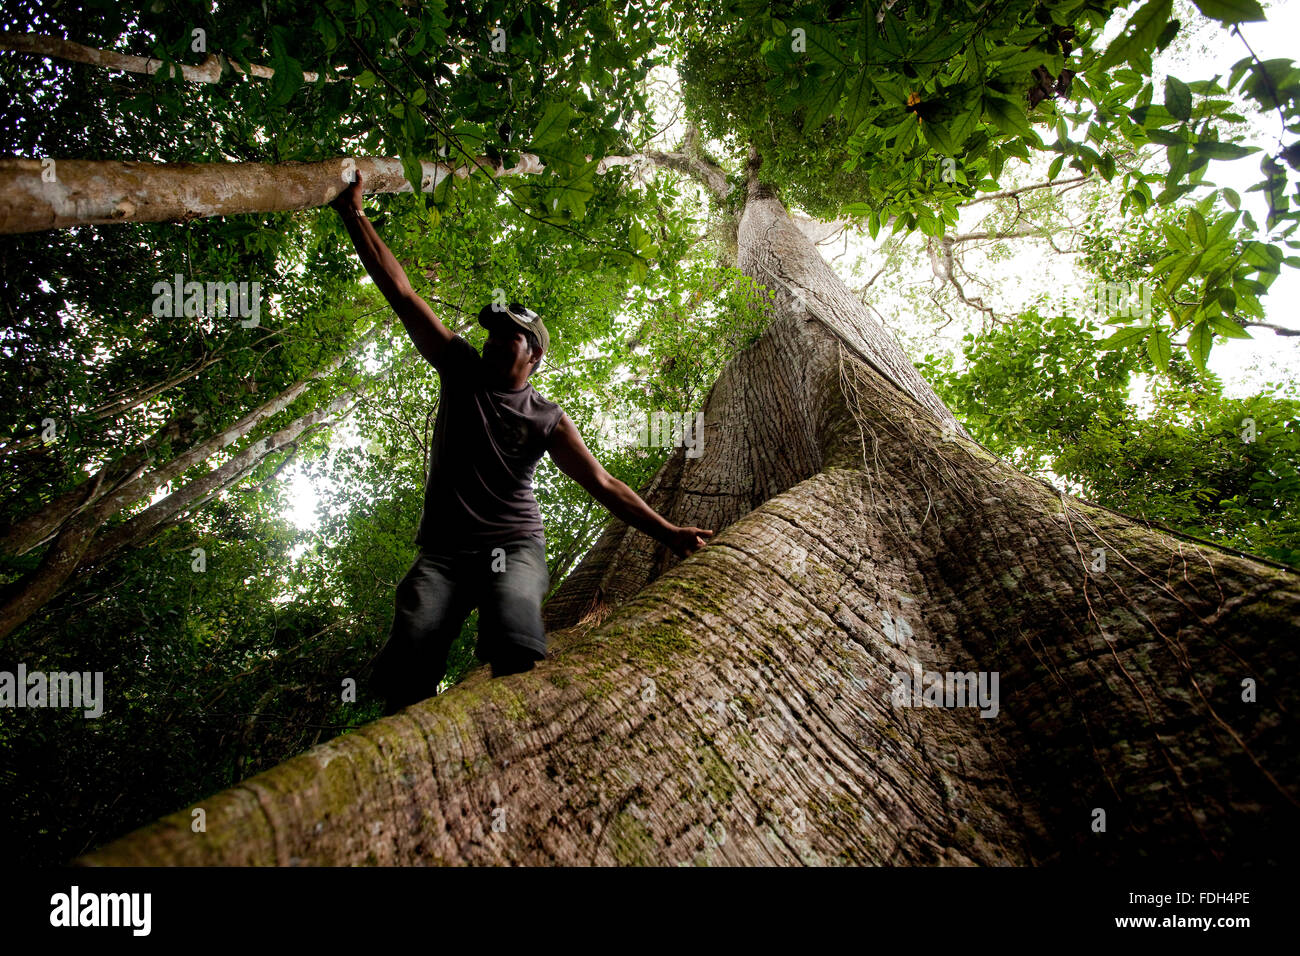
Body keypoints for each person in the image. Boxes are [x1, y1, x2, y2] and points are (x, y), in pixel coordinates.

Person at [329, 172, 714, 715]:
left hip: (513, 546)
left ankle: (512, 724)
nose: (490, 341)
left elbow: (604, 484)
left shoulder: (547, 418)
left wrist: (670, 532)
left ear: (534, 354)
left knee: (514, 629)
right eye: (489, 333)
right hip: (442, 554)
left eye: (507, 335)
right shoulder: (460, 370)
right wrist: (355, 215)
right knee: (415, 638)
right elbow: (403, 293)